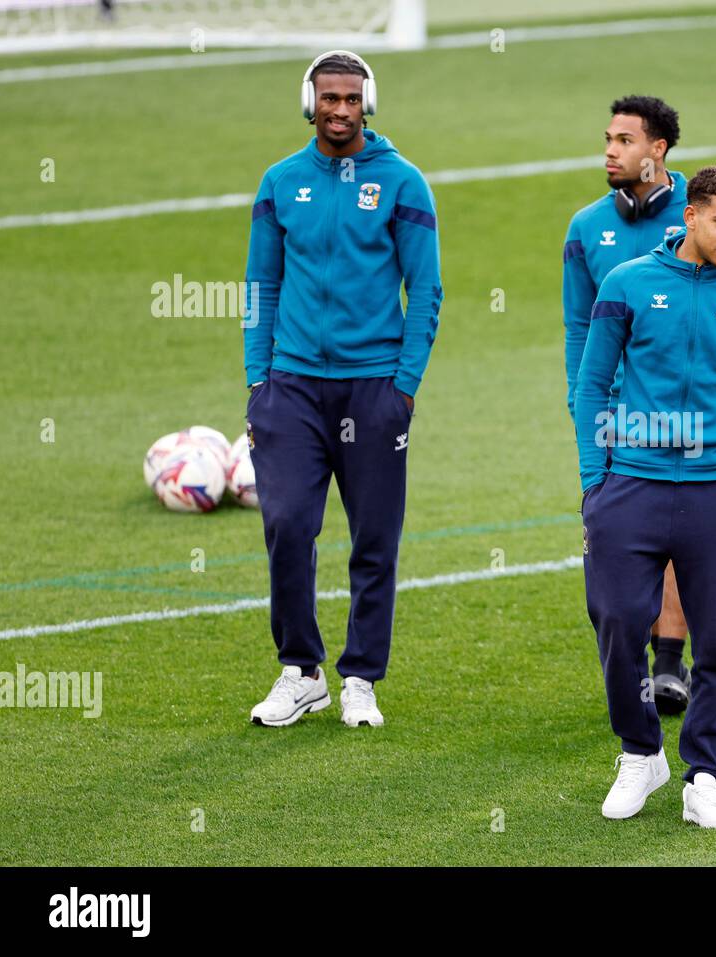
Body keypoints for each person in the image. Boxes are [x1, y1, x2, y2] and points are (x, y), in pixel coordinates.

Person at [574, 165, 716, 828]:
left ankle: (705, 774)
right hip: (631, 487)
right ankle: (641, 751)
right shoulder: (627, 283)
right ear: (693, 217)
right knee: (617, 622)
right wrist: (595, 481)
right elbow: (592, 387)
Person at [242, 50, 443, 728]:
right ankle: (300, 671)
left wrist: (404, 385)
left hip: (373, 391)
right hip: (292, 388)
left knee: (374, 539)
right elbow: (260, 286)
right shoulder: (279, 183)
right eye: (329, 98)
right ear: (309, 101)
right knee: (288, 524)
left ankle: (360, 676)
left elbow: (427, 291)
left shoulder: (402, 183)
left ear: (369, 102)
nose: (340, 110)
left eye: (352, 99)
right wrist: (257, 379)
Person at [563, 96, 695, 715]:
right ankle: (630, 656)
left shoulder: (702, 212)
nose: (610, 151)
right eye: (607, 139)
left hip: (683, 412)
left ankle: (668, 665)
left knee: (676, 540)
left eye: (624, 140)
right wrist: (579, 400)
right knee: (611, 545)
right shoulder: (587, 227)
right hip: (612, 415)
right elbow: (576, 327)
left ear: (658, 150)